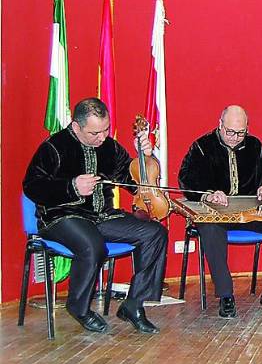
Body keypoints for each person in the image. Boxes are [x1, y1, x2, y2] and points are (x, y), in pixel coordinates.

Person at [22, 98, 168, 334]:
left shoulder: (110, 147)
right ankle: (79, 308)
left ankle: (133, 305)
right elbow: (32, 186)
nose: (102, 137)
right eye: (95, 133)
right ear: (76, 127)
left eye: (106, 129)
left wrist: (145, 158)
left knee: (155, 233)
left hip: (103, 216)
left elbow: (133, 185)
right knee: (92, 245)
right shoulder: (54, 147)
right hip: (62, 217)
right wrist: (71, 187)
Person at [178, 105, 262, 317]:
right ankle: (226, 295)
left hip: (249, 214)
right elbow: (186, 180)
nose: (235, 137)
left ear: (247, 129)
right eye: (230, 132)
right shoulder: (202, 147)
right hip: (216, 214)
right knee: (209, 228)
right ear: (220, 125)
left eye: (240, 133)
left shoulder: (254, 146)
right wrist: (207, 194)